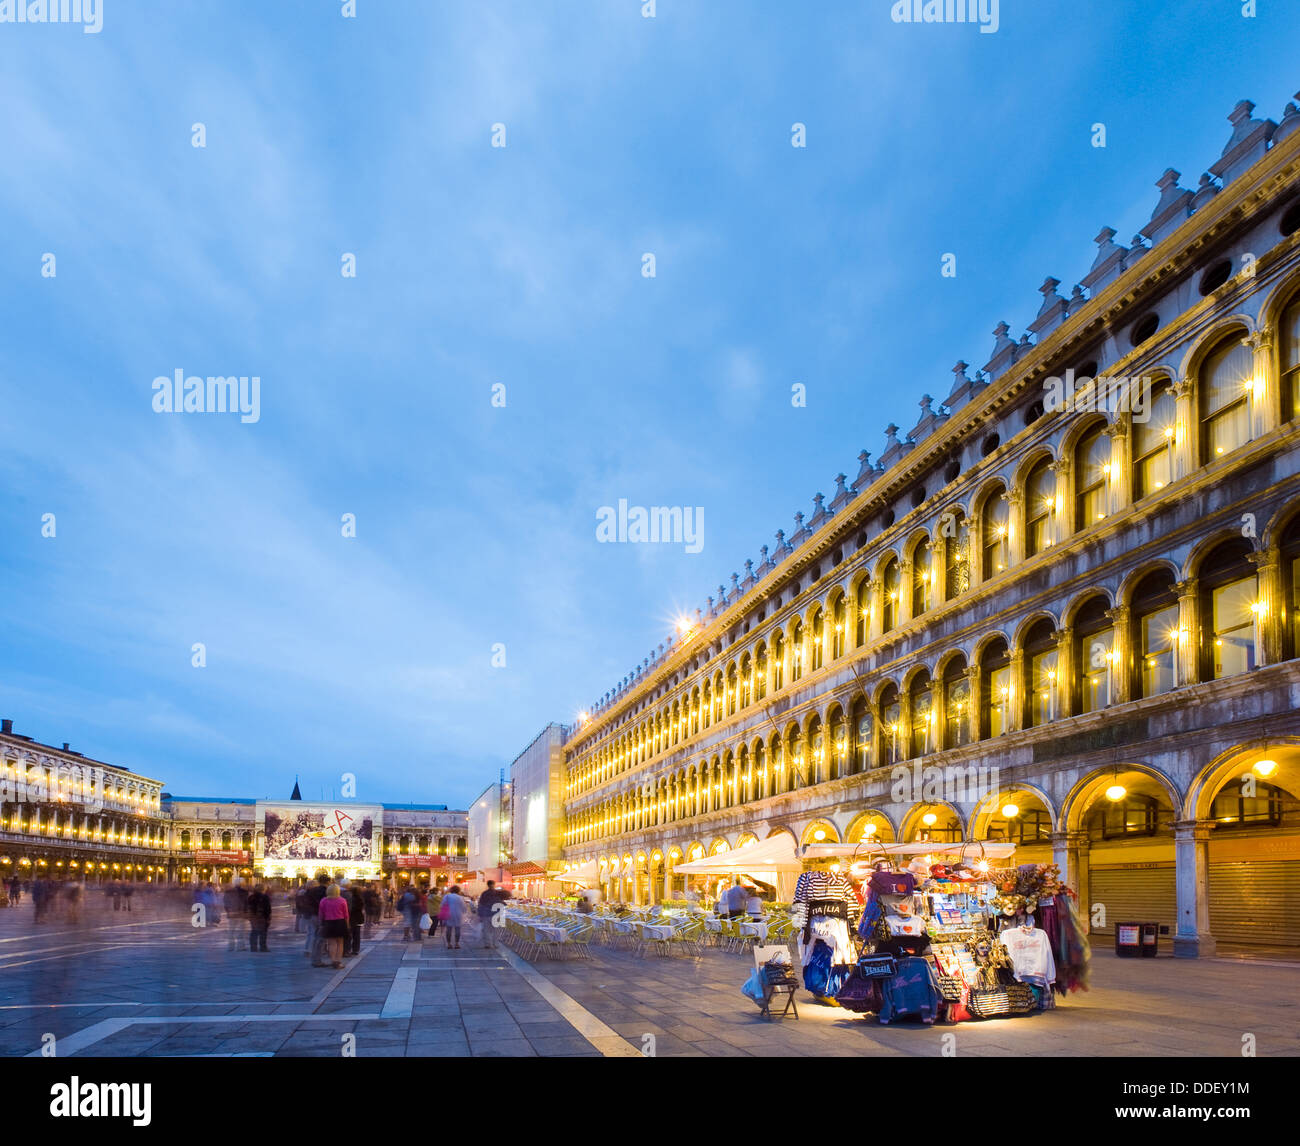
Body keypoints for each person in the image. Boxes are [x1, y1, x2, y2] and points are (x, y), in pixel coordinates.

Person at [318, 883, 350, 969]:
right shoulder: (342, 900)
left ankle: (333, 961)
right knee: (340, 943)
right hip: (340, 922)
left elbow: (321, 914)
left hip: (328, 923)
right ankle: (338, 961)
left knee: (331, 943)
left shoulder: (323, 900)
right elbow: (346, 914)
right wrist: (347, 925)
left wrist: (321, 924)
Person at [304, 874, 330, 966]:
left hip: (312, 915)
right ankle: (317, 960)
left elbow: (306, 902)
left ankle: (314, 957)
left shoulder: (311, 891)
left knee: (314, 936)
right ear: (328, 882)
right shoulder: (327, 891)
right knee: (320, 938)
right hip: (321, 916)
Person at [478, 880, 511, 949]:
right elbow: (504, 900)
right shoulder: (498, 893)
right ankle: (495, 944)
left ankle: (488, 944)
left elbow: (480, 904)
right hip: (495, 914)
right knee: (495, 930)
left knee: (486, 930)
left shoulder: (484, 893)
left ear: (487, 885)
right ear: (494, 884)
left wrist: (480, 914)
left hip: (486, 914)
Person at [223, 882, 249, 951]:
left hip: (232, 914)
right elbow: (246, 903)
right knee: (240, 931)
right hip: (241, 914)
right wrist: (246, 912)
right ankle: (240, 947)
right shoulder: (244, 892)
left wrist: (228, 911)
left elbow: (225, 903)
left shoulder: (228, 893)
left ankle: (230, 947)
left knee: (231, 931)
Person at [247, 885, 272, 951]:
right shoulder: (265, 897)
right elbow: (267, 908)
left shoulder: (251, 897)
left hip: (253, 917)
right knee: (263, 932)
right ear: (262, 889)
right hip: (262, 917)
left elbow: (247, 907)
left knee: (254, 931)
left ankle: (253, 947)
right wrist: (268, 917)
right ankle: (263, 947)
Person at [440, 884, 466, 949]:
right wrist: (463, 912)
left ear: (451, 890)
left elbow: (442, 904)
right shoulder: (460, 897)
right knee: (457, 929)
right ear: (458, 891)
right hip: (458, 914)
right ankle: (457, 944)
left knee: (448, 929)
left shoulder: (447, 896)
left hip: (449, 914)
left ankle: (449, 944)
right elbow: (464, 908)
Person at [344, 881, 365, 958]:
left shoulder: (351, 898)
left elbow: (350, 909)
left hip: (351, 918)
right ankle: (355, 949)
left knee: (349, 935)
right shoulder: (360, 898)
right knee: (357, 935)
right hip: (358, 918)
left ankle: (348, 949)